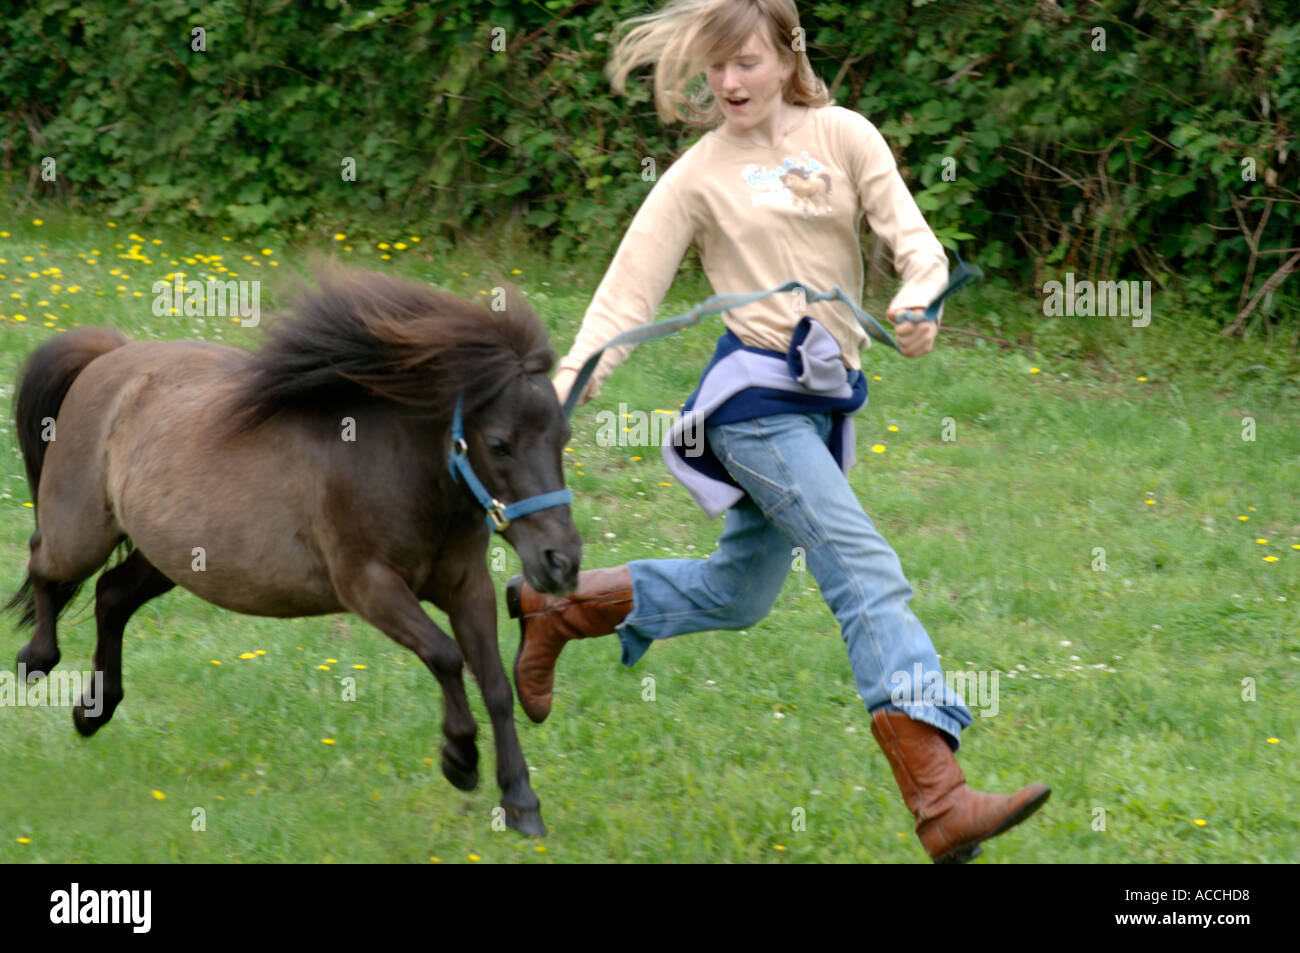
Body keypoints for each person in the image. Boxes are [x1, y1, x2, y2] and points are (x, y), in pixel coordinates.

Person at [508, 0, 1049, 863]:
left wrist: (917, 304)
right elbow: (622, 303)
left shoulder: (845, 135)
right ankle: (940, 799)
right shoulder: (694, 175)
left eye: (747, 62)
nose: (728, 82)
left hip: (825, 401)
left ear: (786, 56)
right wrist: (558, 399)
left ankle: (560, 608)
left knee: (739, 593)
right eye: (716, 66)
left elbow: (919, 248)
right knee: (863, 563)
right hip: (752, 405)